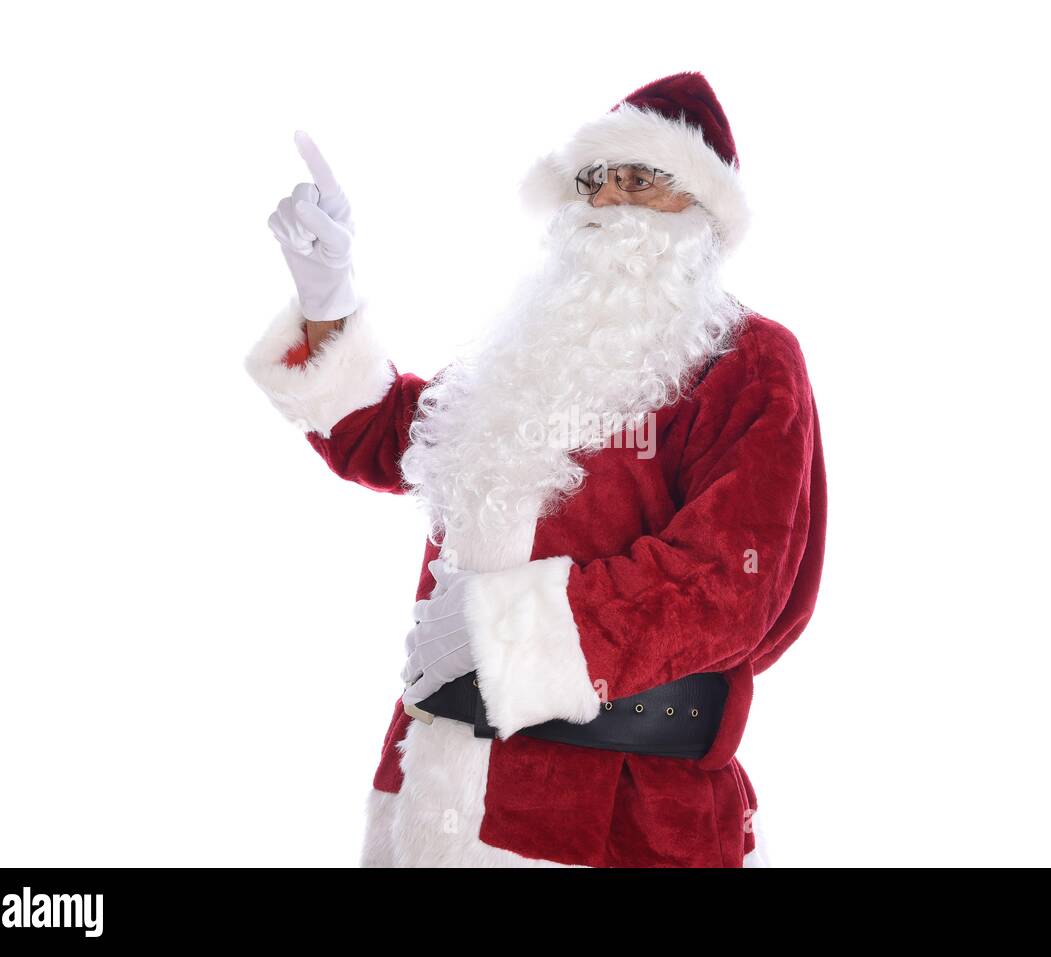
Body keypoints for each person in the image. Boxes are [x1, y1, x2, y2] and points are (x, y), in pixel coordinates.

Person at [246, 71, 827, 867]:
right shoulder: (525, 357)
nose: (611, 201)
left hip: (613, 823)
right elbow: (394, 437)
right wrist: (328, 299)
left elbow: (729, 584)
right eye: (596, 179)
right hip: (435, 801)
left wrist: (503, 637)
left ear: (702, 211)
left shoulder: (751, 363)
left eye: (643, 178)